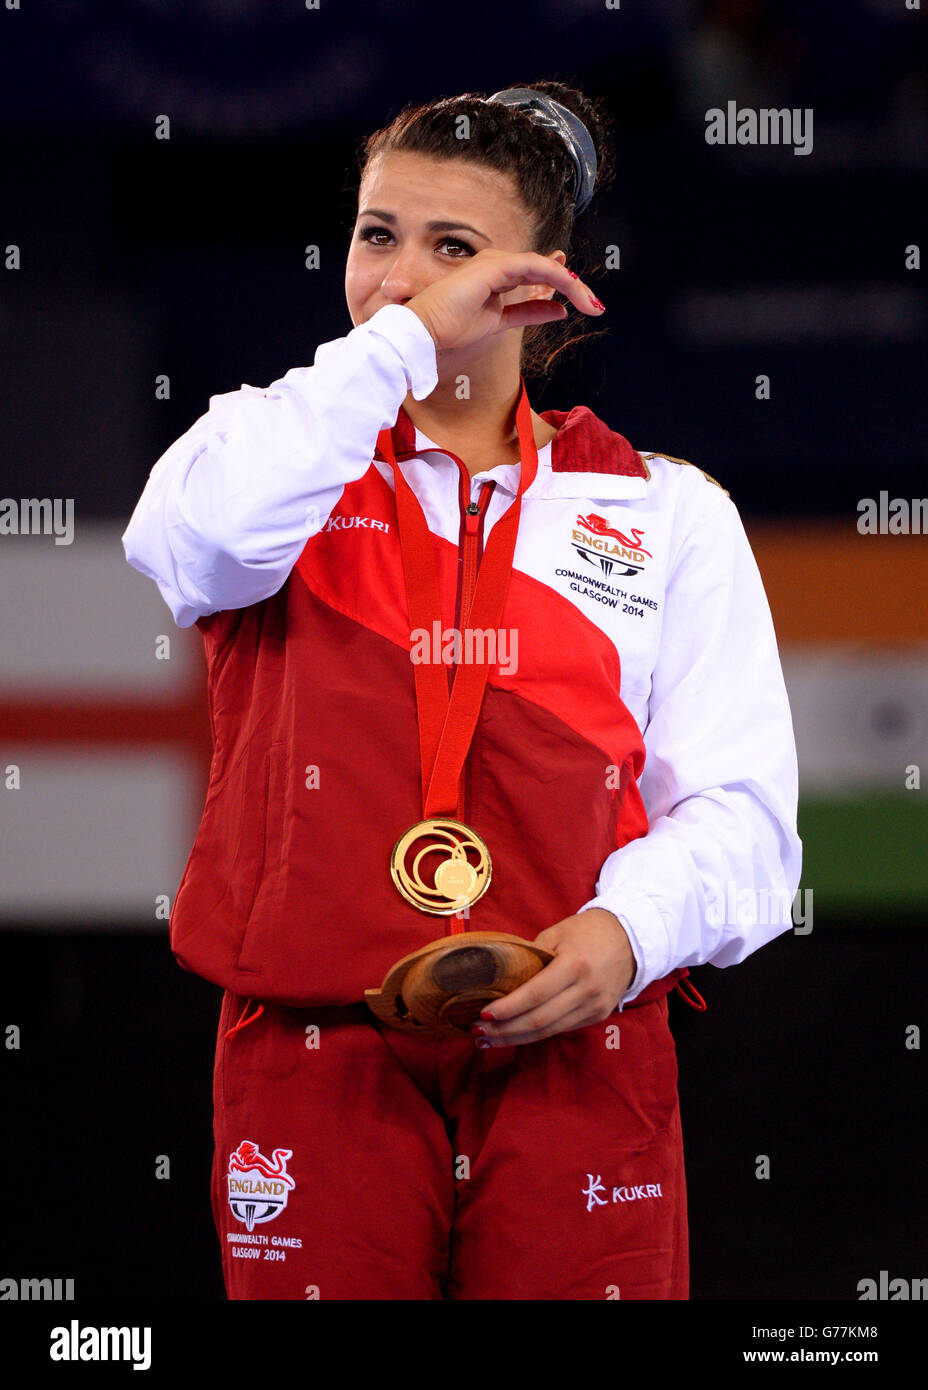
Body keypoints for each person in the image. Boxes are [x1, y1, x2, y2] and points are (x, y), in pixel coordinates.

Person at [122, 79, 801, 1301]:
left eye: (453, 249)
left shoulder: (662, 510)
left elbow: (746, 821)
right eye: (378, 236)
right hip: (317, 1057)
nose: (403, 278)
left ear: (541, 281)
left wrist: (625, 931)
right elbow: (201, 547)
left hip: (576, 1047)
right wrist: (400, 343)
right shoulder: (266, 453)